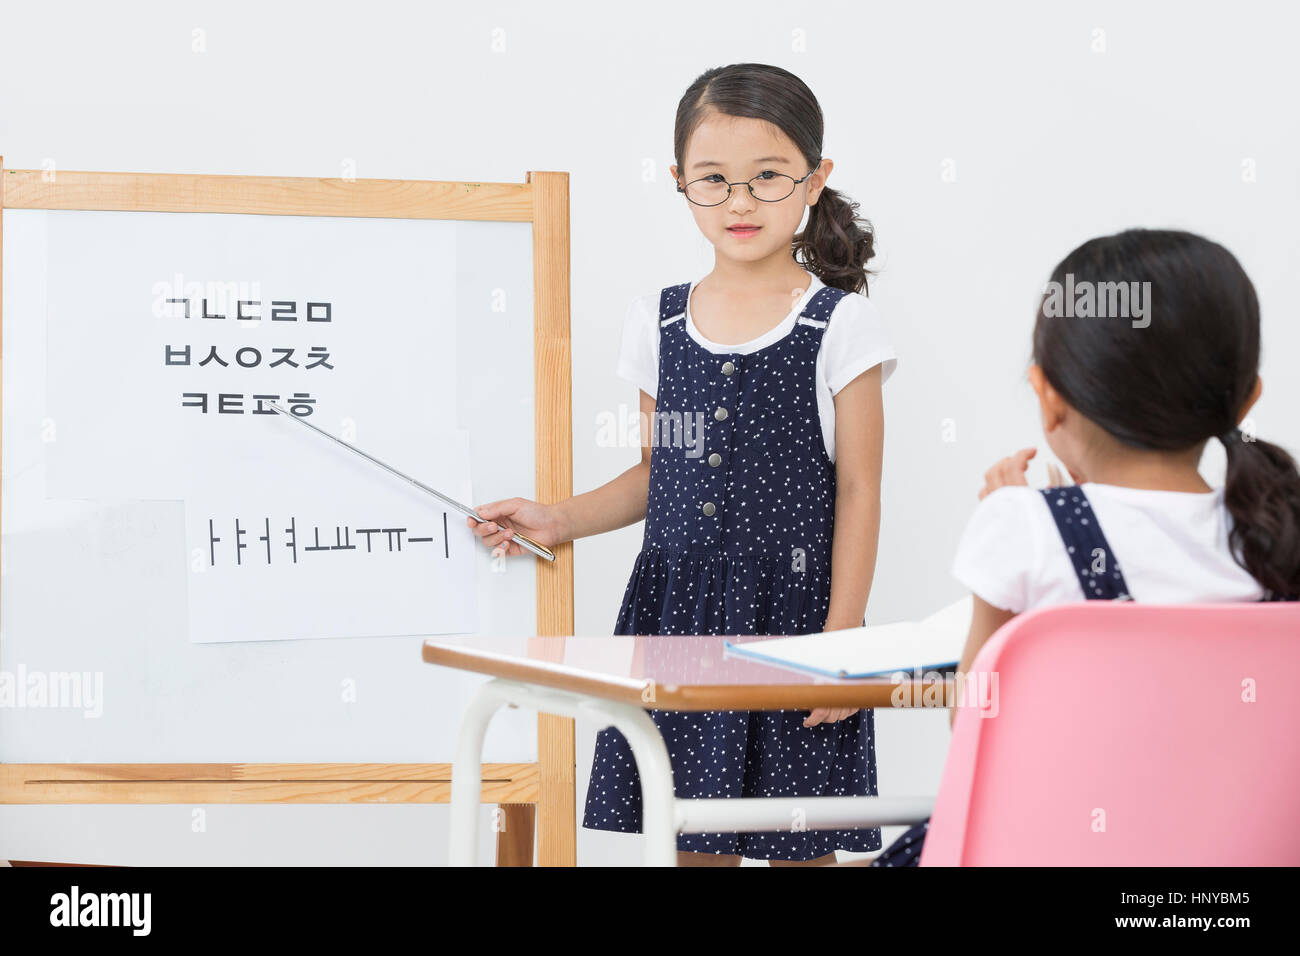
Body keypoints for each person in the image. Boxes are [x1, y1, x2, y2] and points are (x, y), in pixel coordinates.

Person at [467, 62, 897, 865]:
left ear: (815, 179)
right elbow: (657, 475)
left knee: (802, 842)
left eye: (768, 177)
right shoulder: (658, 319)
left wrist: (842, 642)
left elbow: (860, 488)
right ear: (679, 183)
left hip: (796, 621)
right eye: (715, 180)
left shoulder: (842, 325)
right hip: (682, 616)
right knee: (692, 836)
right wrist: (558, 518)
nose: (740, 202)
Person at [869, 227, 1300, 867]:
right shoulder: (1272, 533)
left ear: (1048, 399)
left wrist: (1020, 516)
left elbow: (973, 721)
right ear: (1245, 399)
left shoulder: (1023, 525)